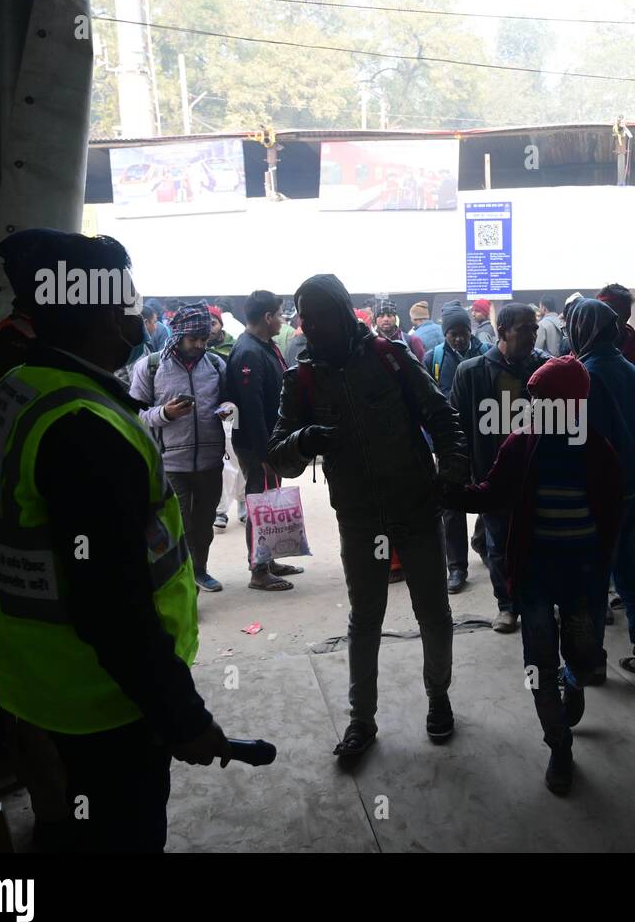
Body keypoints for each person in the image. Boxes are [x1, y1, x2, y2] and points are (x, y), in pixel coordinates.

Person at [0, 229, 230, 852]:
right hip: (104, 702)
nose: (138, 317)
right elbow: (110, 605)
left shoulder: (20, 389)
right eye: (127, 304)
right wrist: (182, 718)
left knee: (73, 836)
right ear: (96, 314)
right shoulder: (88, 429)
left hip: (42, 684)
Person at [267, 273, 470, 756]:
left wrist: (453, 479)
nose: (310, 327)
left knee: (434, 614)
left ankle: (438, 698)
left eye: (319, 317)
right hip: (359, 520)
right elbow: (277, 455)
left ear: (342, 312)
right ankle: (362, 721)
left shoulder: (391, 358)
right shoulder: (302, 380)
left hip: (416, 507)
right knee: (365, 620)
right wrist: (302, 441)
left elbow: (443, 418)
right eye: (304, 319)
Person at [442, 356, 622, 794]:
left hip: (580, 575)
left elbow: (614, 513)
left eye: (542, 398)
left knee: (583, 656)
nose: (532, 404)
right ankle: (559, 747)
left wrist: (604, 568)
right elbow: (492, 492)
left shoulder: (597, 449)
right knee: (539, 665)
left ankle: (574, 682)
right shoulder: (520, 444)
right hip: (536, 575)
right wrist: (449, 492)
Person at [568, 299, 635, 681]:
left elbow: (585, 443)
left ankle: (590, 666)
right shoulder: (628, 368)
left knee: (592, 586)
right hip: (631, 491)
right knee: (630, 578)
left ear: (582, 330)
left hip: (601, 499)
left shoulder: (586, 375)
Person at [451, 303, 549, 632]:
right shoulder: (472, 372)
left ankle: (537, 600)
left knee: (537, 544)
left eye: (535, 329)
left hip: (537, 476)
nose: (532, 336)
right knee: (499, 546)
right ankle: (507, 606)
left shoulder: (545, 369)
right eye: (524, 329)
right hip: (493, 475)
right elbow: (457, 429)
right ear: (502, 331)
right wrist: (461, 476)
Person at [128, 302, 232, 592]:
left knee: (204, 524)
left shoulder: (216, 365)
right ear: (177, 335)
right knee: (179, 526)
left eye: (203, 339)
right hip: (171, 464)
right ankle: (183, 579)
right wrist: (164, 414)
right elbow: (135, 413)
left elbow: (228, 402)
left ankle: (200, 570)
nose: (199, 345)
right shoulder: (150, 367)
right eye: (193, 339)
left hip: (211, 462)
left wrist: (227, 409)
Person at [225, 290, 303, 592]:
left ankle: (268, 559)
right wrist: (264, 452)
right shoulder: (248, 352)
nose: (282, 321)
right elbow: (251, 407)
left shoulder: (264, 346)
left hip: (272, 439)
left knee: (270, 500)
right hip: (258, 443)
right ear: (268, 317)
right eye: (280, 315)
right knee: (260, 501)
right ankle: (258, 570)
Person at [428, 302, 491, 592]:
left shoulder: (486, 354)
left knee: (488, 494)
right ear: (445, 334)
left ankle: (483, 542)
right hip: (449, 443)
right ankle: (456, 567)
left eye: (463, 331)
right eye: (452, 333)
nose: (458, 337)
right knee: (451, 504)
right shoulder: (433, 358)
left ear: (470, 330)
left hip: (483, 438)